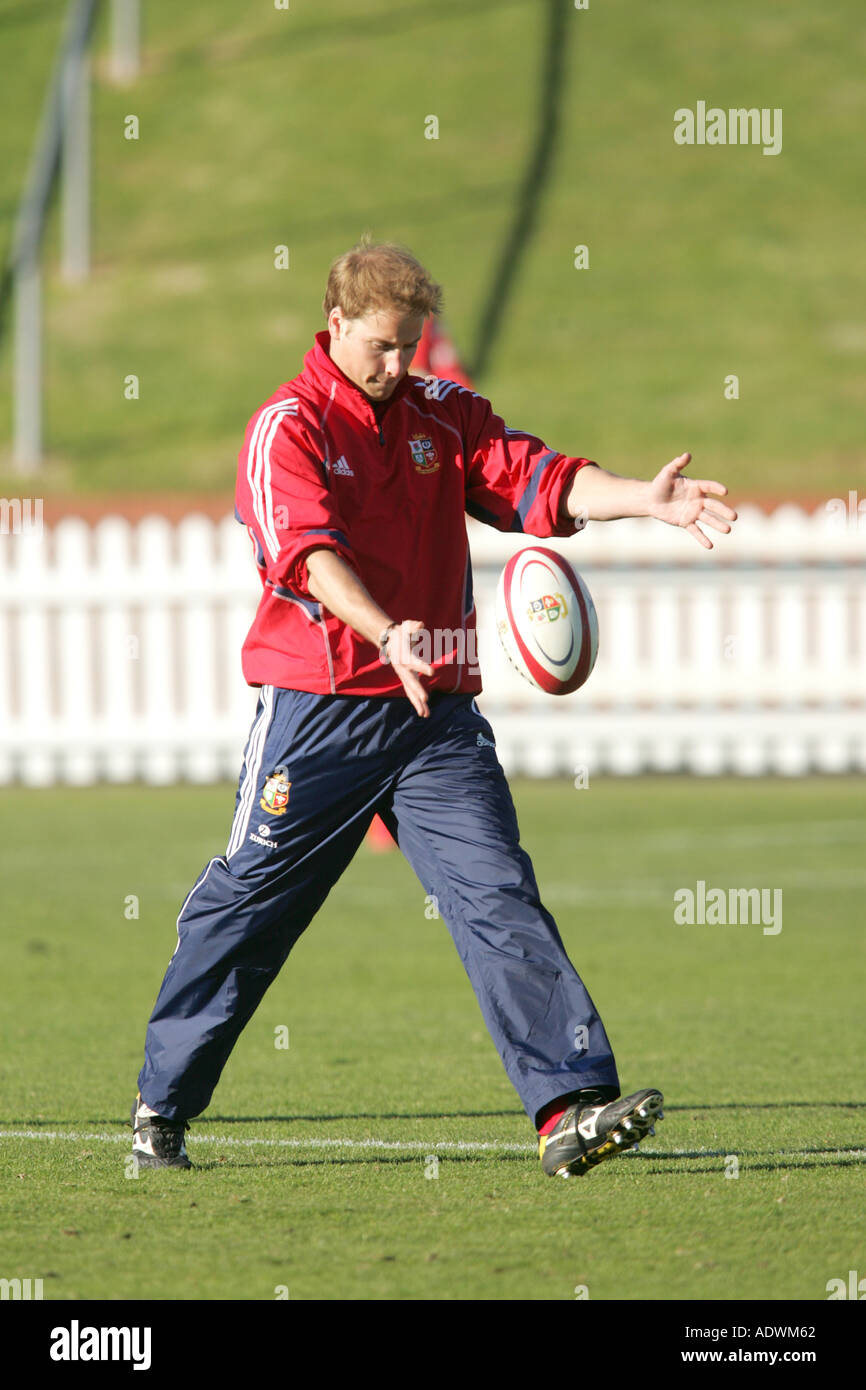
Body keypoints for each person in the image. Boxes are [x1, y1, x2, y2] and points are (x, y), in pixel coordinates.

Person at [130, 238, 737, 1178]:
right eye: (382, 346)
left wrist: (641, 502)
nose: (400, 364)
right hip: (322, 711)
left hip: (436, 722)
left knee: (495, 892)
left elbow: (535, 478)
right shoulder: (285, 429)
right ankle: (162, 1102)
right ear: (335, 327)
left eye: (412, 345)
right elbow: (308, 555)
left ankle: (569, 1107)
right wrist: (384, 630)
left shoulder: (440, 414)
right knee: (253, 906)